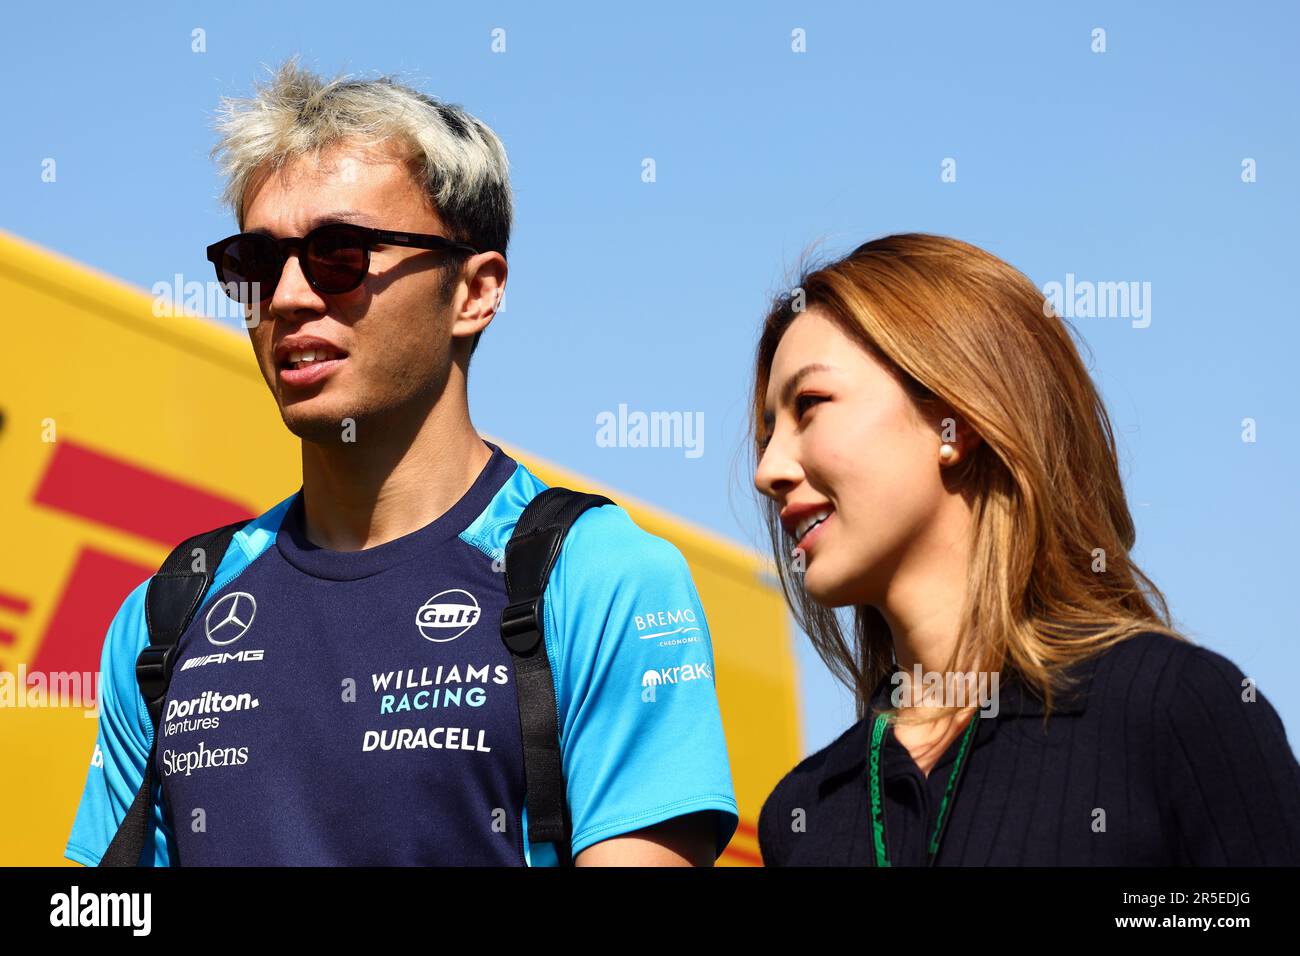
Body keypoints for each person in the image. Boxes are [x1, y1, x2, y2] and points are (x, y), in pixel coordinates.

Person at [64, 57, 737, 866]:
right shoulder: (166, 615)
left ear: (476, 291)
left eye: (338, 254)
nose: (285, 298)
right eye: (254, 264)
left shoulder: (597, 577)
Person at [752, 233, 1300, 866]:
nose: (768, 470)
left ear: (956, 417)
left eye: (810, 405)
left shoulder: (1175, 711)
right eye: (767, 436)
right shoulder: (803, 814)